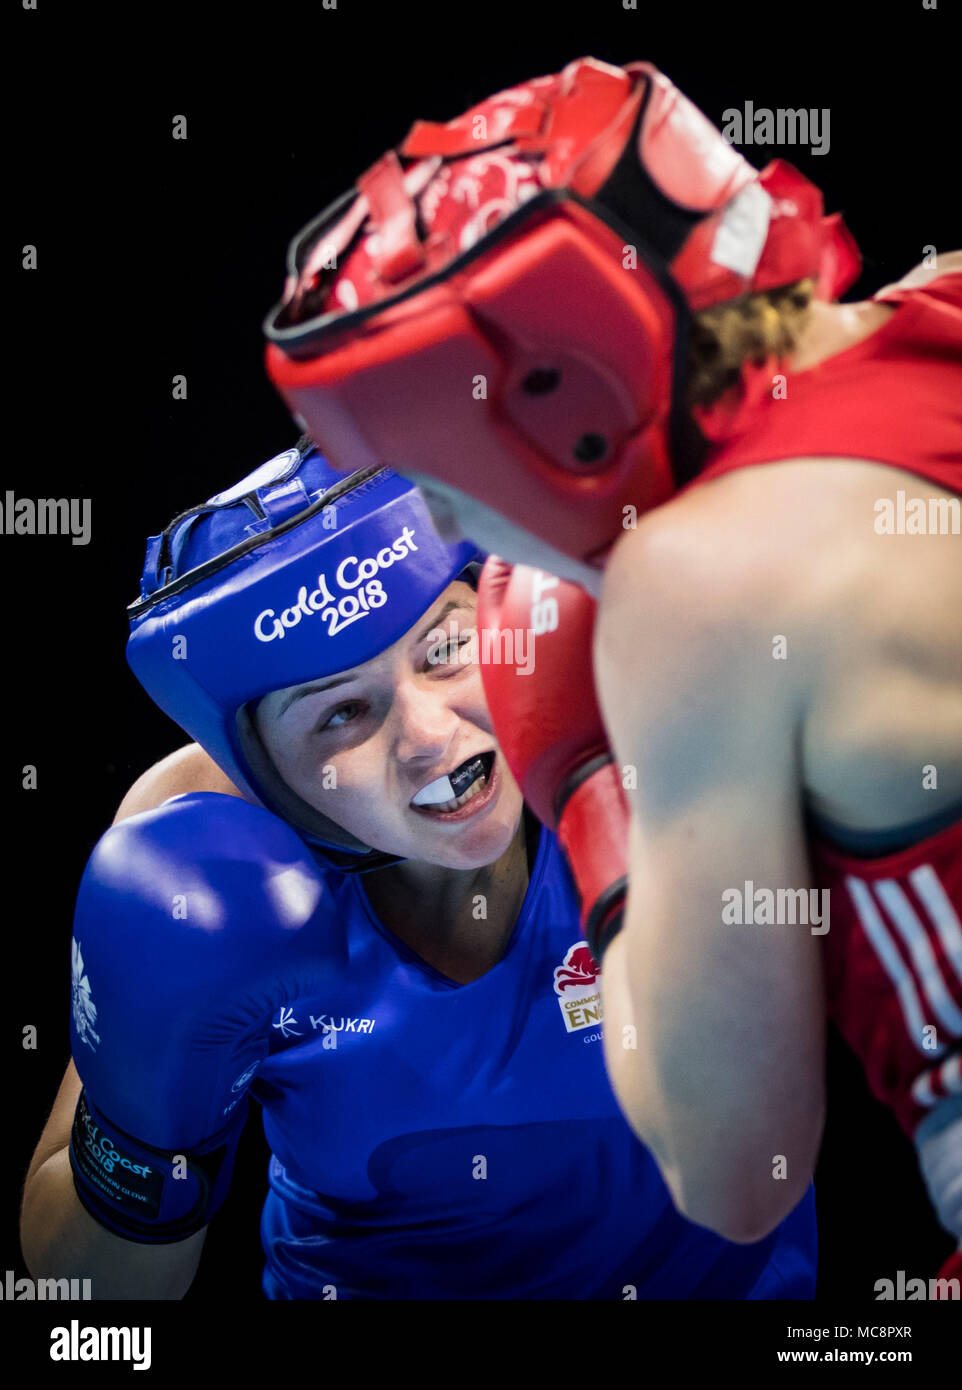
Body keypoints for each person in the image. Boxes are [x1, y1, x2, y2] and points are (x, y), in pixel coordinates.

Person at [261, 56, 962, 1287]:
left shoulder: (693, 586)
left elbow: (735, 1174)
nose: (456, 541)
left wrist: (589, 788)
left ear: (558, 405)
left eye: (437, 484)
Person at [20, 440, 817, 1300]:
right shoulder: (191, 855)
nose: (430, 734)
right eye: (343, 712)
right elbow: (99, 1299)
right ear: (259, 769)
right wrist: (143, 1144)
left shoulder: (643, 715)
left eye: (444, 650)